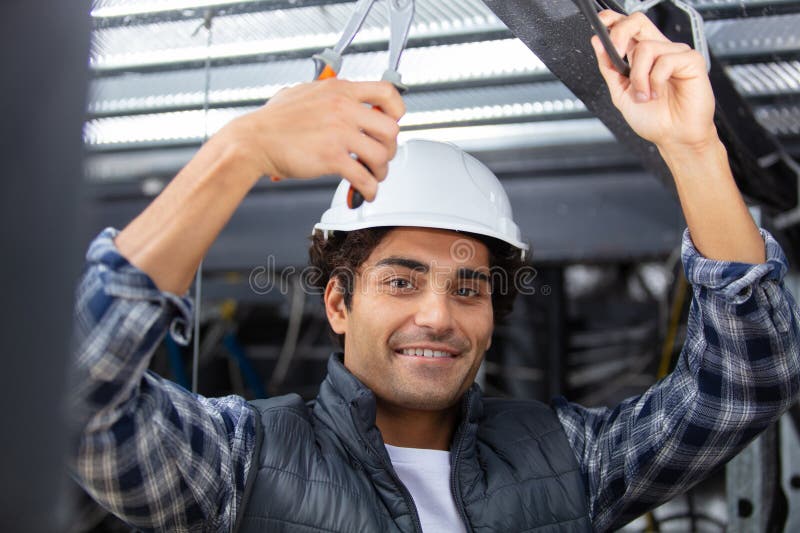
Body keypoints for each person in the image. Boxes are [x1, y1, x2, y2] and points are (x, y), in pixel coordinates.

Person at [70, 10, 800, 532]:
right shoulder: (240, 467)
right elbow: (73, 403)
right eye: (399, 279)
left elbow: (747, 380)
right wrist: (240, 151)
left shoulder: (570, 461)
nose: (437, 315)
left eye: (469, 286)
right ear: (337, 302)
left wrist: (696, 148)